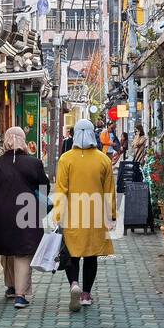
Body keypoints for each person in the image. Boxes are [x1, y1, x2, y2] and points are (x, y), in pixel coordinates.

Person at [55, 119, 117, 311]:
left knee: (71, 254)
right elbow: (109, 191)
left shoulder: (66, 159)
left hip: (72, 215)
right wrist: (111, 216)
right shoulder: (103, 159)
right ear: (94, 134)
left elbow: (61, 190)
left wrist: (58, 215)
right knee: (91, 256)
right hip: (95, 216)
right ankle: (86, 294)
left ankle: (74, 283)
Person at [0, 126, 49, 310]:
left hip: (2, 213)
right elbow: (44, 189)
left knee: (7, 251)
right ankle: (20, 296)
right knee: (22, 252)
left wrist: (3, 201)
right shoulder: (34, 163)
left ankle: (11, 286)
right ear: (23, 140)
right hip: (27, 212)